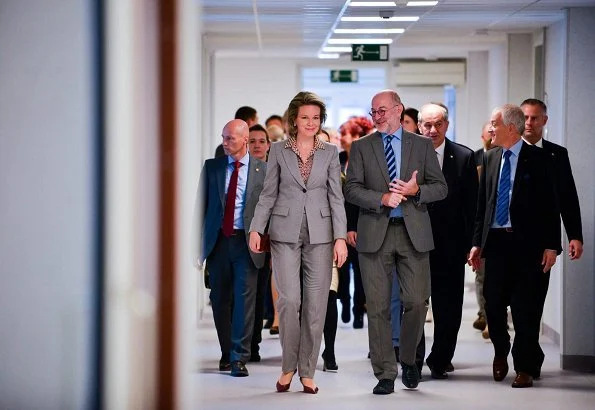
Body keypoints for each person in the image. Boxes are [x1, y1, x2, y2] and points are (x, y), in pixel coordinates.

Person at [344, 89, 447, 394]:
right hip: (375, 232)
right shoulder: (362, 147)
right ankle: (385, 373)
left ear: (399, 110)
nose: (377, 116)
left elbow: (440, 188)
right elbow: (351, 189)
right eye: (373, 111)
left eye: (383, 111)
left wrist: (416, 191)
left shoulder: (422, 145)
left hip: (413, 232)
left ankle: (409, 359)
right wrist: (382, 198)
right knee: (377, 307)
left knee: (416, 302)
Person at [248, 91, 347, 394]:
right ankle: (288, 366)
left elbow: (335, 197)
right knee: (290, 301)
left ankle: (307, 370)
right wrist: (256, 228)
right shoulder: (278, 151)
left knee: (316, 305)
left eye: (316, 118)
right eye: (305, 117)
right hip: (284, 232)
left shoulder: (330, 152)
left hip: (321, 234)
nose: (310, 122)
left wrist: (340, 237)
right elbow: (268, 193)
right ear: (294, 119)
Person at [468, 104, 561, 388]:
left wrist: (551, 245)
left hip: (529, 247)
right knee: (493, 305)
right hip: (495, 245)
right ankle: (500, 350)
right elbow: (482, 206)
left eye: (495, 123)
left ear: (511, 127)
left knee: (525, 310)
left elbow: (551, 206)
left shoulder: (541, 158)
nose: (491, 128)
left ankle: (524, 367)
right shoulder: (490, 156)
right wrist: (476, 244)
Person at [195, 119, 267, 377]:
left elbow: (269, 210)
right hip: (218, 244)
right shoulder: (212, 167)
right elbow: (200, 209)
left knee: (244, 300)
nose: (225, 143)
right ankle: (226, 352)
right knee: (219, 300)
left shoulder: (264, 170)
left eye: (230, 139)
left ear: (244, 139)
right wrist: (197, 248)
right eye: (223, 138)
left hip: (247, 244)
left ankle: (239, 357)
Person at [417, 103, 478, 379]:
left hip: (451, 245)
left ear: (446, 125)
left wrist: (471, 244)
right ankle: (413, 359)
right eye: (427, 125)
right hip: (413, 244)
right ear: (419, 126)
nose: (432, 130)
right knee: (414, 304)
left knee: (448, 307)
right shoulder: (407, 155)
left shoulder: (463, 157)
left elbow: (472, 205)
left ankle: (440, 358)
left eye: (437, 124)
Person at [520, 98, 583, 260]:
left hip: (543, 241)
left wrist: (575, 235)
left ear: (544, 120)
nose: (528, 123)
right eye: (525, 118)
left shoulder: (557, 154)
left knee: (537, 286)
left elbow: (567, 197)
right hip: (510, 241)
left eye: (534, 118)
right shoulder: (507, 153)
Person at [338, 116, 374, 329]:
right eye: (342, 134)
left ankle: (359, 309)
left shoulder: (368, 161)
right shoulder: (338, 160)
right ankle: (345, 301)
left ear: (359, 137)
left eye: (347, 134)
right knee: (341, 268)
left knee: (361, 271)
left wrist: (355, 226)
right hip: (339, 224)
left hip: (362, 224)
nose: (343, 139)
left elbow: (362, 197)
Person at [246, 124, 272, 362]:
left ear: (268, 145)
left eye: (261, 141)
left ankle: (253, 342)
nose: (256, 145)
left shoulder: (273, 172)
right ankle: (243, 343)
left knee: (257, 295)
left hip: (264, 243)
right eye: (252, 141)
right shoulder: (240, 172)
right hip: (238, 239)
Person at [472, 122, 493, 338]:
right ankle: (485, 315)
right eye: (489, 132)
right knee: (482, 276)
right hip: (483, 230)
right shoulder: (475, 159)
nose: (492, 135)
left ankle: (492, 316)